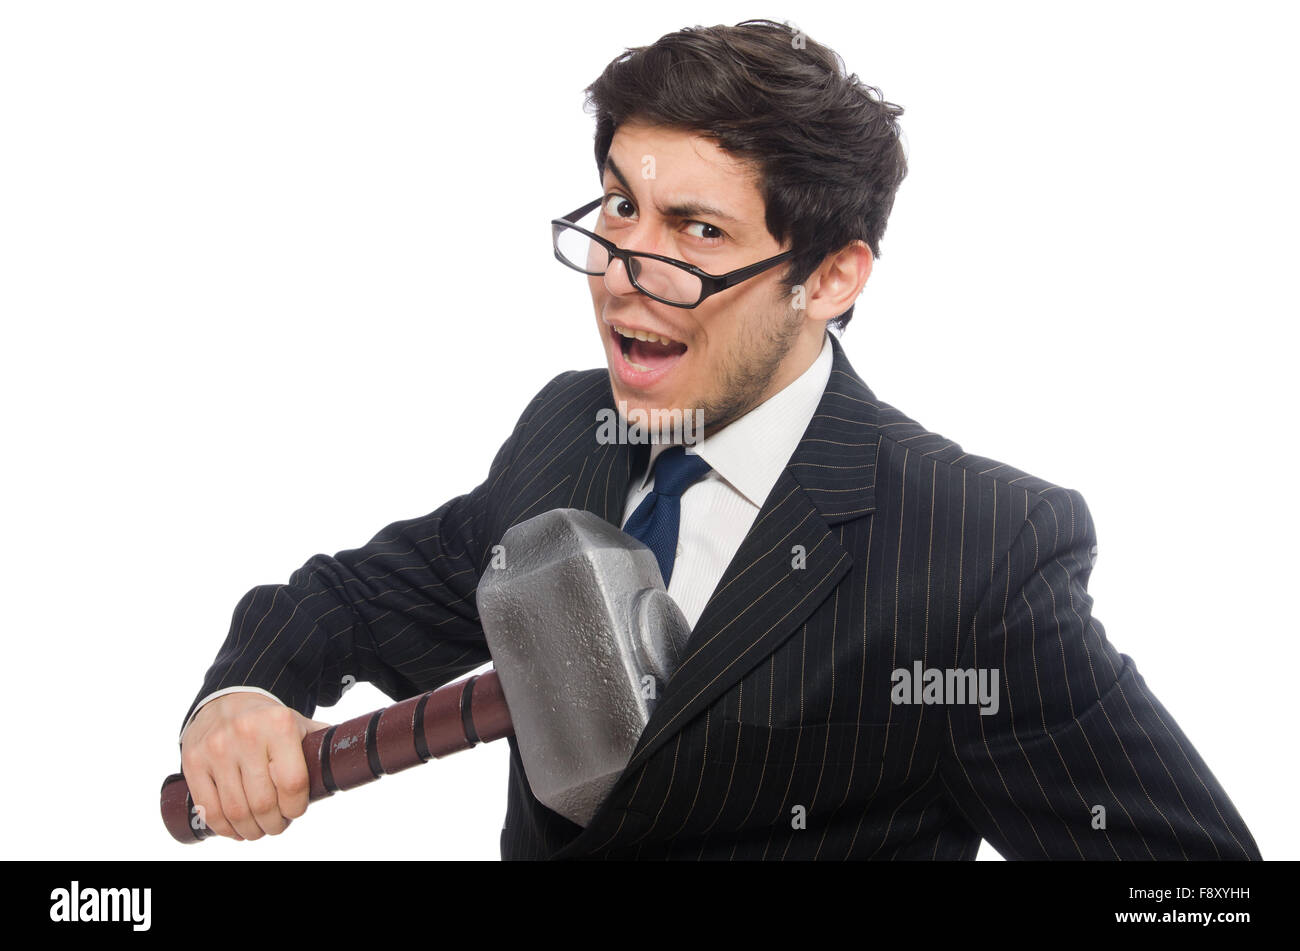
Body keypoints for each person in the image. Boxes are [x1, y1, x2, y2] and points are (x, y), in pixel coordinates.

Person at [177, 19, 1261, 860]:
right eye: (616, 209)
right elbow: (364, 597)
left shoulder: (972, 552)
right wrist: (246, 693)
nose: (622, 273)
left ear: (829, 278)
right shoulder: (570, 428)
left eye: (697, 231)